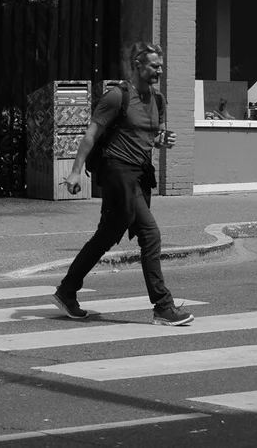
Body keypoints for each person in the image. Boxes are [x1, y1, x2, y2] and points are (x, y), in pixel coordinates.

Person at [52, 42, 194, 326]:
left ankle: (67, 291)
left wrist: (161, 141)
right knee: (150, 234)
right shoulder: (117, 97)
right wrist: (76, 171)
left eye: (161, 66)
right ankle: (163, 306)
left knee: (107, 235)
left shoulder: (159, 100)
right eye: (155, 65)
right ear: (138, 65)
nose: (160, 71)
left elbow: (151, 137)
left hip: (140, 173)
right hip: (117, 170)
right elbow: (91, 134)